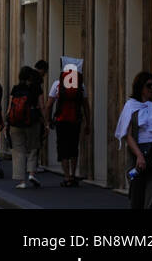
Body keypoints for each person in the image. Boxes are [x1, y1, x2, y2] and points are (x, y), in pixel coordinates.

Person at [116, 71, 152, 210]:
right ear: (140, 87)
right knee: (137, 195)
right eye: (149, 85)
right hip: (137, 151)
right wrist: (139, 156)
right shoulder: (131, 105)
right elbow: (127, 134)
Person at [47, 57, 91, 186]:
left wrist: (48, 120)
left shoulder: (57, 84)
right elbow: (86, 106)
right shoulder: (81, 85)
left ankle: (66, 177)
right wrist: (88, 122)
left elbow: (49, 104)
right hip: (76, 120)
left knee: (63, 148)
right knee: (73, 147)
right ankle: (73, 175)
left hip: (61, 120)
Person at [6, 66, 45, 189]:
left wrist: (7, 122)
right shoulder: (37, 88)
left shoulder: (16, 88)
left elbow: (10, 107)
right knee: (33, 148)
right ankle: (32, 173)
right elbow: (42, 106)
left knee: (18, 150)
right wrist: (46, 122)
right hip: (32, 121)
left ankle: (21, 180)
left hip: (15, 123)